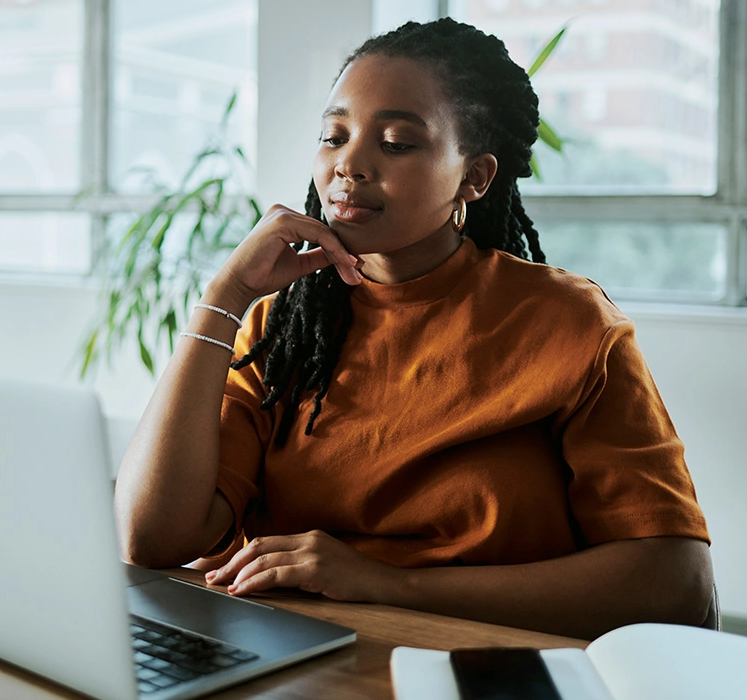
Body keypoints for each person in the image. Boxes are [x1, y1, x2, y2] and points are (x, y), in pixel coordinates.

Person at [114, 17, 713, 641]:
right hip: (295, 654)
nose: (349, 164)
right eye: (333, 135)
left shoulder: (568, 323)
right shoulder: (281, 324)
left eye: (397, 142)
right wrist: (224, 298)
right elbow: (152, 539)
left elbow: (673, 581)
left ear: (474, 178)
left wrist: (384, 582)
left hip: (478, 661)